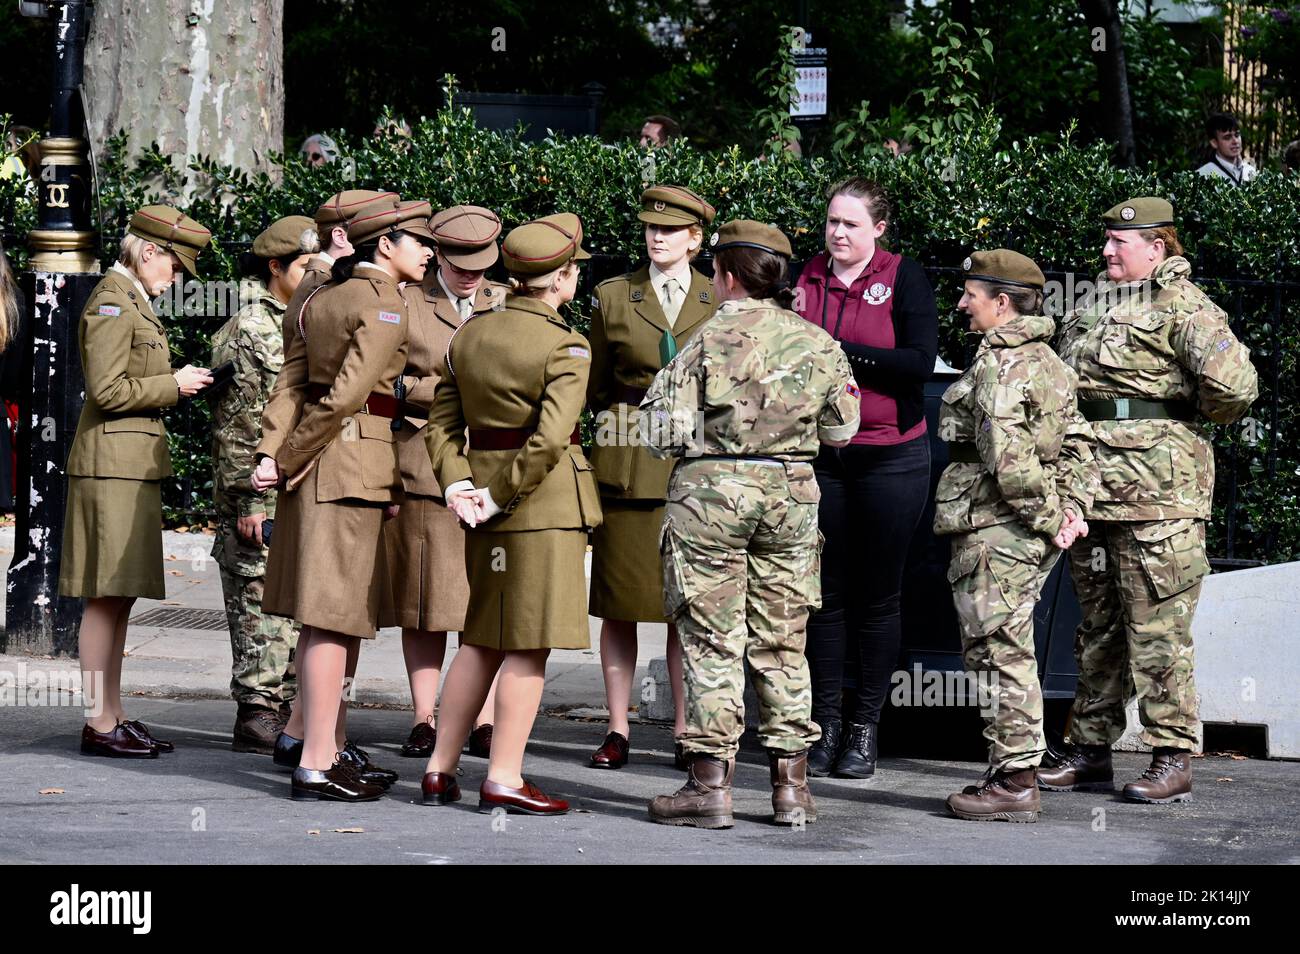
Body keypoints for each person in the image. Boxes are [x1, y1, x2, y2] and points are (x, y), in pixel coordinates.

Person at [644, 220, 861, 830]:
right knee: (783, 641)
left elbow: (661, 434)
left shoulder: (704, 341)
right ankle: (792, 788)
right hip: (790, 495)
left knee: (713, 640)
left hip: (710, 497)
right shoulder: (818, 342)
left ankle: (709, 786)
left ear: (727, 276)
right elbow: (843, 429)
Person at [1043, 197, 1258, 804]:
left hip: (1158, 497)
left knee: (1159, 628)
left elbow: (1235, 387)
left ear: (1157, 247)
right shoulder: (1093, 305)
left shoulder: (1186, 306)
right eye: (1107, 240)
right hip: (1091, 490)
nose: (1107, 251)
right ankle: (1088, 752)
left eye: (1120, 242)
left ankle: (1172, 755)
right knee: (1100, 628)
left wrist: (1172, 427)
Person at [252, 195, 435, 801]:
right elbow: (346, 398)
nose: (430, 250)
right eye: (419, 240)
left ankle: (318, 745)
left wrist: (271, 453)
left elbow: (292, 382)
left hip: (321, 464)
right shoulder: (383, 303)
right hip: (348, 463)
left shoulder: (318, 293)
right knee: (333, 618)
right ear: (385, 245)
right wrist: (286, 459)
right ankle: (318, 761)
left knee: (321, 619)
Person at [420, 213, 601, 815]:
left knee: (481, 638)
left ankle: (440, 769)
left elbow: (441, 425)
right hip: (541, 509)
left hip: (479, 502)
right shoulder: (567, 344)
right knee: (527, 646)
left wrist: (459, 486)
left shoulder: (469, 334)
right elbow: (550, 442)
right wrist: (497, 496)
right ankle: (502, 775)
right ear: (561, 279)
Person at [933, 250, 1099, 822]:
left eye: (970, 295)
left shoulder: (1003, 366)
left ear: (1001, 303)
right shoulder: (1049, 360)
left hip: (997, 527)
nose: (960, 303)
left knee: (999, 652)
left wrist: (1054, 517)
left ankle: (1017, 780)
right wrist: (1072, 509)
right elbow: (1079, 441)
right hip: (1022, 527)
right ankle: (1014, 770)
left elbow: (1009, 463)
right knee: (1010, 646)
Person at [793, 177, 938, 779]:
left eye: (851, 224)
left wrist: (840, 350)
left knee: (878, 595)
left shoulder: (904, 277)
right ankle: (823, 725)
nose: (838, 233)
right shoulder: (808, 277)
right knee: (823, 595)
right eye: (832, 222)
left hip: (891, 456)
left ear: (879, 229)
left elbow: (917, 363)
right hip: (825, 457)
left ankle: (863, 728)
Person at [60, 205, 214, 757]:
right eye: (174, 265)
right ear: (148, 251)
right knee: (105, 599)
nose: (175, 278)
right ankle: (99, 723)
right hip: (110, 467)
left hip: (127, 465)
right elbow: (107, 391)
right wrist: (173, 385)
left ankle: (114, 714)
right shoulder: (111, 300)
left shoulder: (130, 300)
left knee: (119, 597)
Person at [586, 185, 717, 771]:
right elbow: (591, 385)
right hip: (629, 456)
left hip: (696, 462)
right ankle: (618, 729)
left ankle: (687, 730)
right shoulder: (614, 296)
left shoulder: (720, 298)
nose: (656, 237)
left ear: (696, 239)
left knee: (683, 607)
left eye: (670, 230)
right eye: (650, 228)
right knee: (619, 603)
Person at [385, 204, 508, 761]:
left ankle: (481, 718)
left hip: (490, 471)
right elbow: (384, 379)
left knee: (483, 600)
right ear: (437, 252)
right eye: (460, 262)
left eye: (481, 263)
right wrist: (441, 394)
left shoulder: (505, 302)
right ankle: (424, 717)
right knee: (425, 601)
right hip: (424, 467)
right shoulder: (407, 300)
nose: (471, 274)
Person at [210, 215, 318, 753]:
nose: (315, 273)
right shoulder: (252, 329)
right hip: (261, 492)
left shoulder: (303, 319)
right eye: (305, 265)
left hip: (296, 488)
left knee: (290, 607)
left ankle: (287, 712)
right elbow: (243, 424)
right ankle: (257, 713)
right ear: (275, 268)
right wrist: (254, 497)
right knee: (259, 604)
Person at [1195, 113, 1257, 185]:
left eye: (1237, 135)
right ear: (1214, 143)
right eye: (1227, 137)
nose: (1235, 141)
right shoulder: (1203, 175)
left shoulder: (1250, 171)